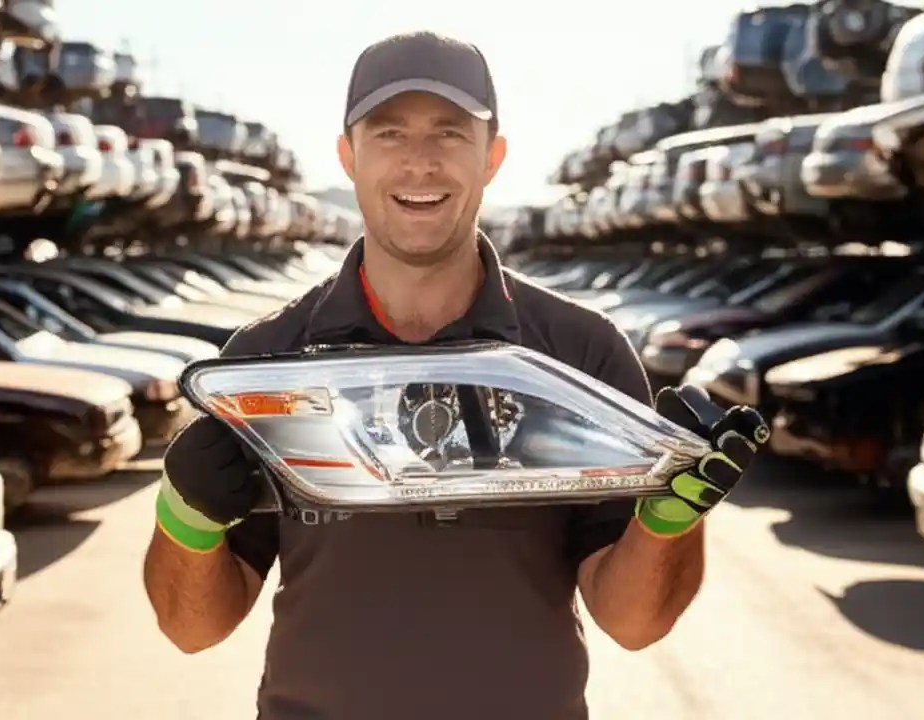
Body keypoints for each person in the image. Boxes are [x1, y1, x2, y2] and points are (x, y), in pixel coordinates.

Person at [144, 30, 769, 719]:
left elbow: (634, 623)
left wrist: (670, 518)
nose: (420, 163)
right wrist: (186, 518)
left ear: (492, 157)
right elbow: (190, 629)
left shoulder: (578, 354)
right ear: (348, 156)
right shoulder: (269, 360)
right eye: (388, 134)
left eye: (449, 133)